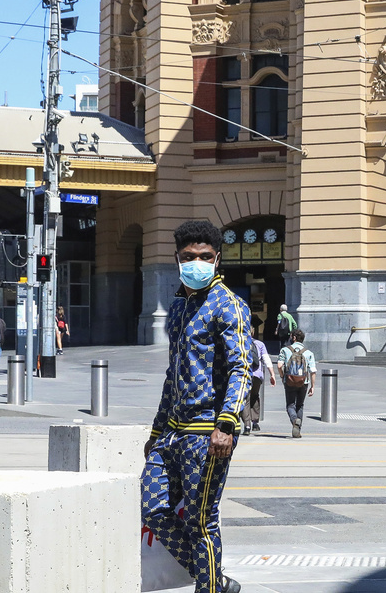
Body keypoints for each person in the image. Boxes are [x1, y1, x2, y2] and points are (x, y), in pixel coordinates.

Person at [141, 220, 251, 593]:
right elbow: (173, 374)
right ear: (177, 259)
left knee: (201, 521)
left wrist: (227, 424)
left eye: (205, 256)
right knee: (154, 510)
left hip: (207, 432)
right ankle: (216, 582)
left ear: (217, 259)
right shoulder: (177, 307)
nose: (196, 263)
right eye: (189, 257)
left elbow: (241, 368)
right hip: (171, 431)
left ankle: (209, 589)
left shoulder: (229, 305)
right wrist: (156, 431)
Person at [276, 328, 317, 438]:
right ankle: (297, 431)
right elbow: (313, 371)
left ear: (293, 338)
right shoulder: (308, 353)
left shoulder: (285, 350)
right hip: (304, 381)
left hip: (289, 380)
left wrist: (282, 376)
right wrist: (312, 386)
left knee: (290, 405)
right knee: (300, 405)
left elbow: (279, 365)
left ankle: (294, 420)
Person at [242, 324, 275, 435]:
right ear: (253, 332)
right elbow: (266, 359)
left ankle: (247, 426)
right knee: (255, 397)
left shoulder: (241, 343)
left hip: (245, 374)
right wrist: (272, 374)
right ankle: (255, 422)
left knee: (245, 399)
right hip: (257, 375)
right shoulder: (260, 344)